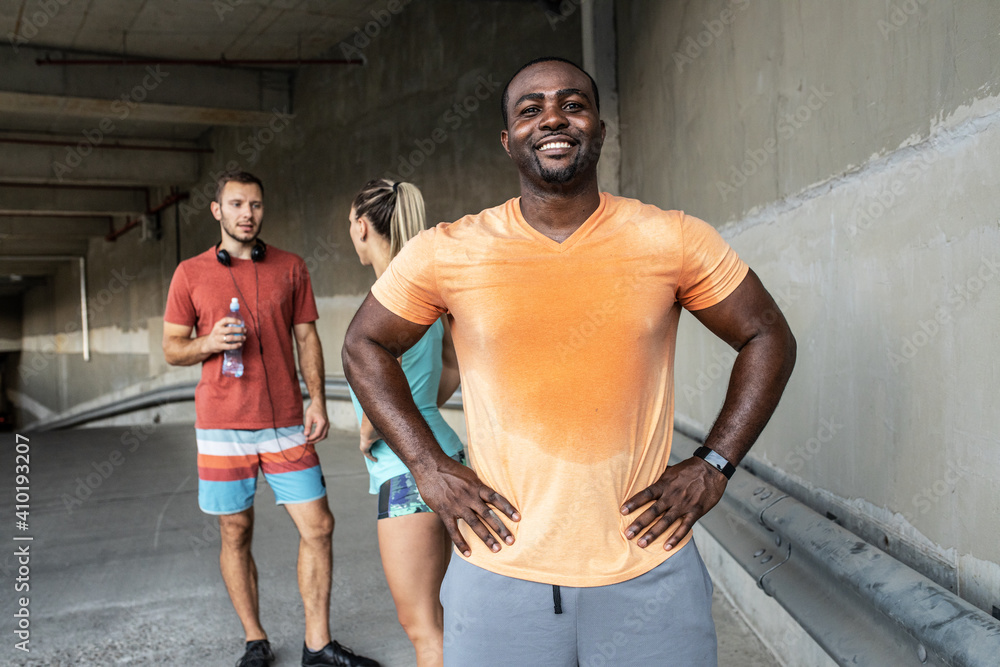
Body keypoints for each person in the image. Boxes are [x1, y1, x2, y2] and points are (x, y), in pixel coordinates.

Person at [342, 57, 797, 665]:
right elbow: (363, 345)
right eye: (530, 109)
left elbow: (767, 334)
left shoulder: (672, 238)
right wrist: (427, 467)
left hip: (647, 568)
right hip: (500, 570)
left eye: (572, 103)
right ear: (507, 141)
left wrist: (713, 464)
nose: (552, 118)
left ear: (600, 128)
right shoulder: (448, 251)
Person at [163, 170, 378, 667]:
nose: (247, 214)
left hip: (286, 423)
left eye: (255, 205)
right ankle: (254, 640)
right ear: (217, 210)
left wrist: (318, 402)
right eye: (236, 204)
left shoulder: (291, 267)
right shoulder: (190, 273)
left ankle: (318, 646)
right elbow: (172, 349)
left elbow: (307, 338)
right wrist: (209, 343)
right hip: (221, 426)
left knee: (318, 526)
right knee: (235, 531)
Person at [345, 178, 464, 666]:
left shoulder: (385, 299)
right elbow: (454, 365)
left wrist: (373, 427)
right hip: (451, 456)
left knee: (423, 629)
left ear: (361, 227)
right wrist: (417, 407)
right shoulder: (426, 292)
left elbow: (377, 401)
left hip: (405, 473)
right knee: (451, 617)